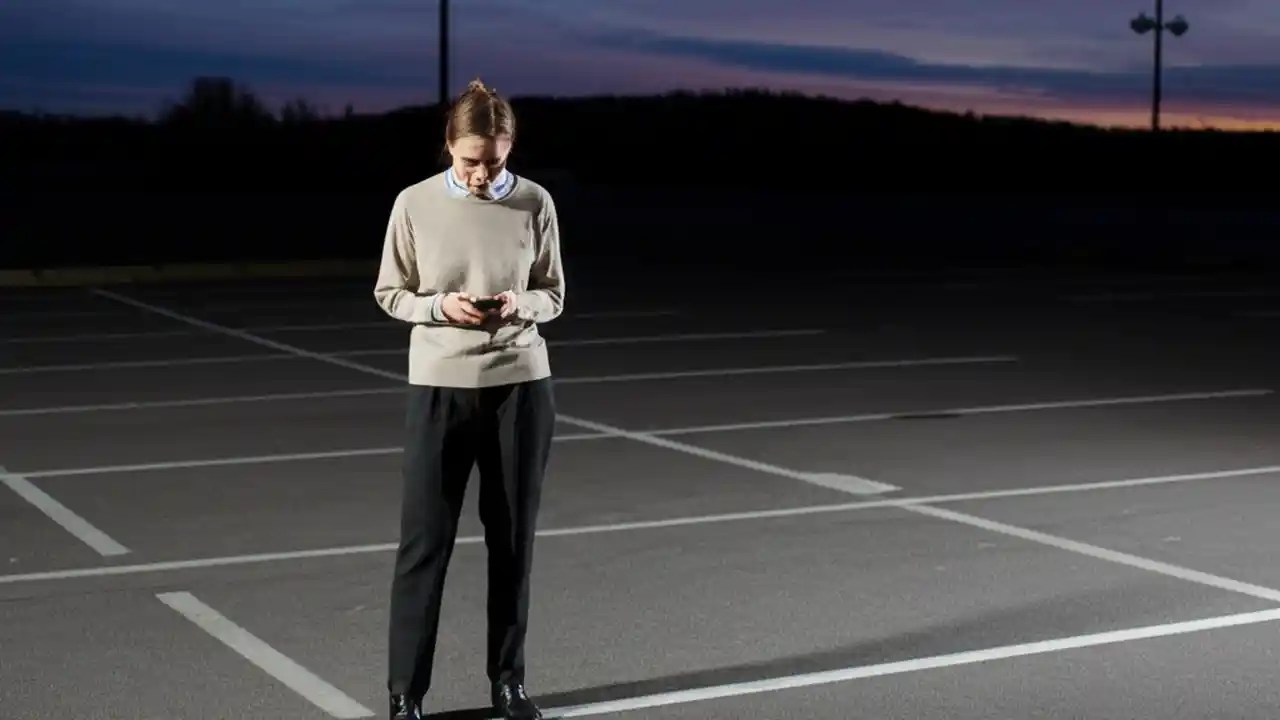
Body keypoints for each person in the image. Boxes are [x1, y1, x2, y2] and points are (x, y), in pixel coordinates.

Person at [373, 78, 564, 720]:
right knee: (424, 543)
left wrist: (518, 303)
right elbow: (391, 291)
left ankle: (508, 683)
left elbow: (553, 293)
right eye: (470, 161)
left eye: (496, 162)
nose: (483, 174)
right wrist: (439, 306)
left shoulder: (535, 202)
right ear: (449, 146)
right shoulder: (413, 203)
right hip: (439, 385)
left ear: (510, 151)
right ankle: (406, 694)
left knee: (512, 542)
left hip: (520, 385)